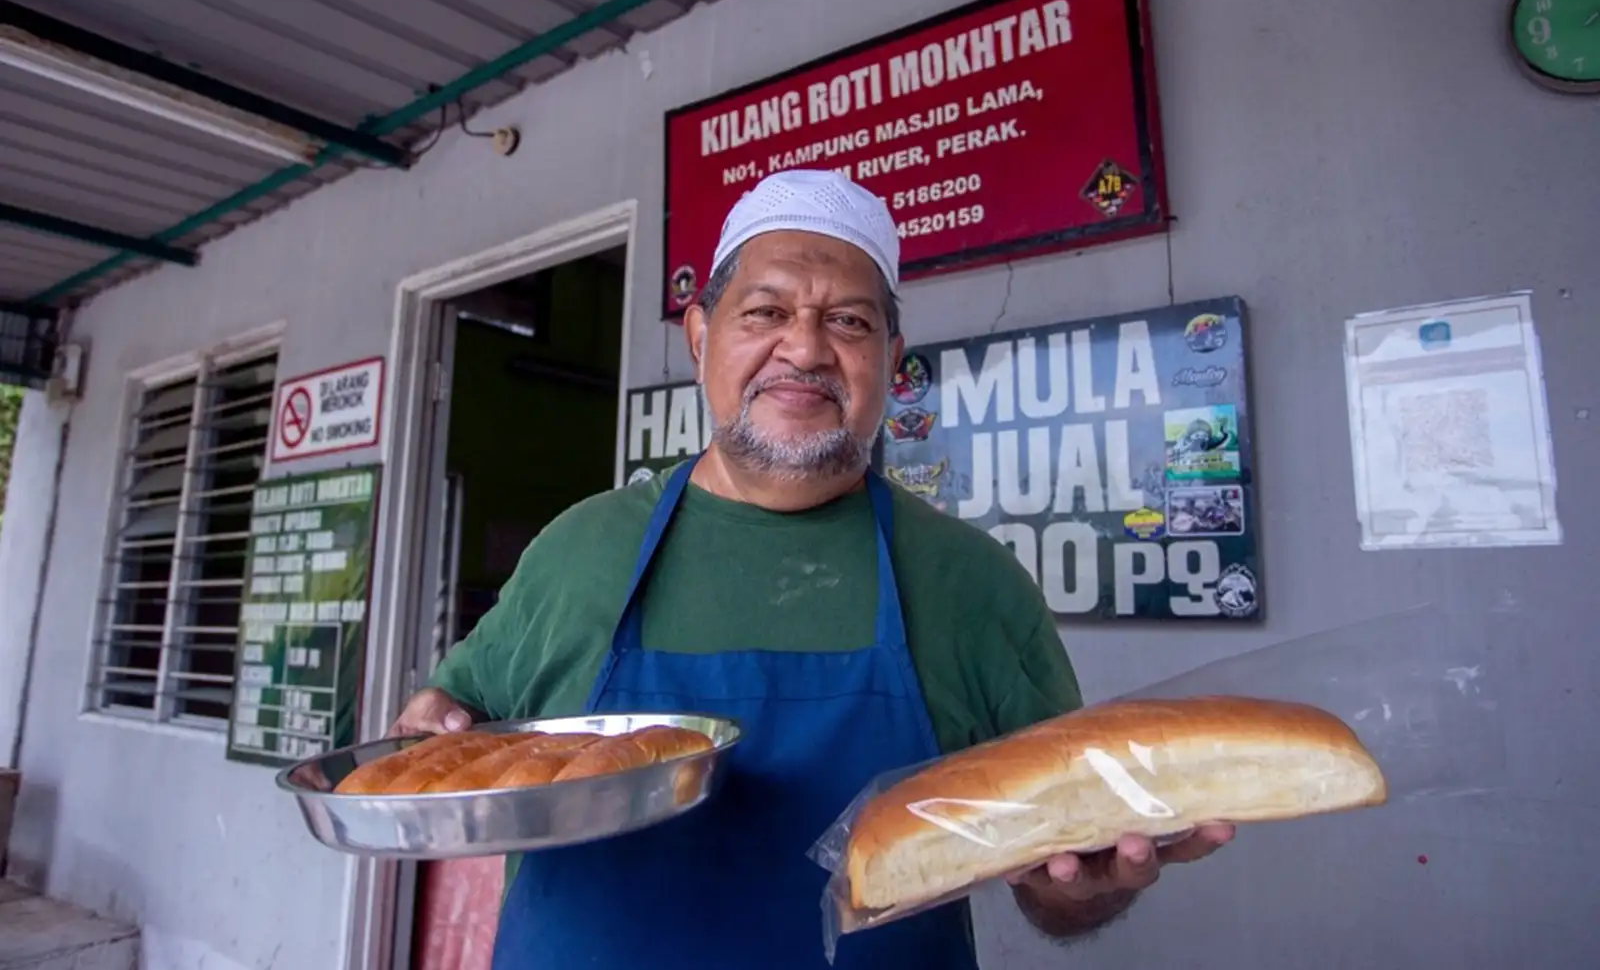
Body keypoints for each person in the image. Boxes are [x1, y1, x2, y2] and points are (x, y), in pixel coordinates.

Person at [394, 170, 1233, 969]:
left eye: (850, 323)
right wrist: (434, 720)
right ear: (699, 335)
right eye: (764, 312)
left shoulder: (972, 585)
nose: (805, 347)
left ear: (890, 358)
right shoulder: (579, 552)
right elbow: (459, 718)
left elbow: (1060, 874)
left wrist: (1088, 889)